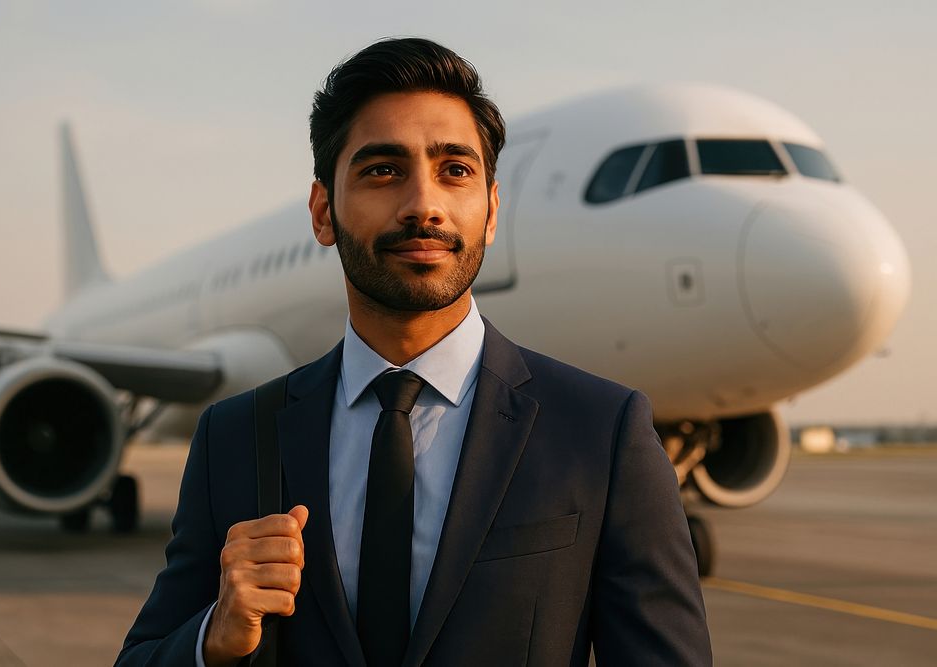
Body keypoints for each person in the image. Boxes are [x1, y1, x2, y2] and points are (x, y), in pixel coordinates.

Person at [117, 37, 711, 666]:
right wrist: (211, 638)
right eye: (383, 170)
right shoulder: (233, 437)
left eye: (455, 171)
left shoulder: (601, 433)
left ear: (491, 211)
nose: (424, 205)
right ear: (323, 213)